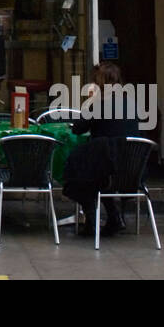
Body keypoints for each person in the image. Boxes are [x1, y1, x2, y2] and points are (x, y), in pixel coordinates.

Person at [63, 62, 139, 237]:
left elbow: (78, 128)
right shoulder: (131, 104)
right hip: (132, 170)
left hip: (108, 169)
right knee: (92, 169)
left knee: (80, 173)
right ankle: (113, 217)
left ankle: (92, 221)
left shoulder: (100, 104)